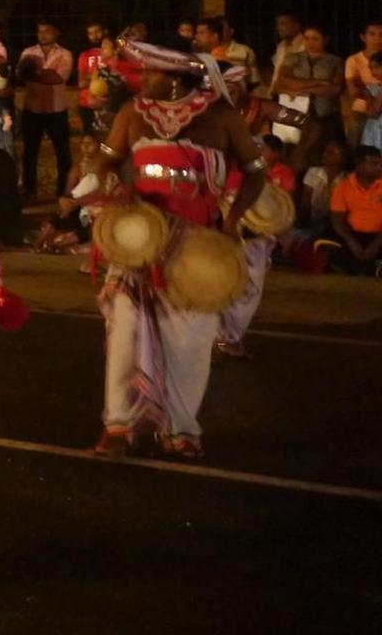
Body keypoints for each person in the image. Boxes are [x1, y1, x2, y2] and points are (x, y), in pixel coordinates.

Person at [89, 41, 267, 461]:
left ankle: (181, 428)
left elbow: (255, 173)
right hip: (140, 241)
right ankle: (118, 425)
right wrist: (119, 196)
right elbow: (106, 162)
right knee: (124, 329)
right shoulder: (133, 113)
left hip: (196, 244)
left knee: (190, 338)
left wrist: (230, 220)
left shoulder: (221, 116)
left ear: (174, 79)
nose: (140, 78)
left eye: (149, 72)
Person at [216, 135, 296, 357]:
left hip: (241, 227)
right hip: (239, 228)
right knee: (245, 286)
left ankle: (220, 338)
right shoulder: (242, 167)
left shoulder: (231, 161)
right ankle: (226, 339)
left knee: (231, 283)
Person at [15, 22, 73, 199]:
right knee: (30, 152)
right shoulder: (28, 52)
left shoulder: (65, 54)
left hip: (56, 110)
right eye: (39, 31)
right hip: (32, 109)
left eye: (47, 31)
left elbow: (57, 78)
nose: (42, 35)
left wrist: (34, 72)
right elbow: (21, 74)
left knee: (63, 152)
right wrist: (44, 73)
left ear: (57, 32)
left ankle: (64, 190)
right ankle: (29, 190)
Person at [272, 24, 344, 168]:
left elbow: (334, 89)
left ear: (326, 40)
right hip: (296, 115)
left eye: (315, 39)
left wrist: (300, 87)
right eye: (307, 38)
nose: (310, 43)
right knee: (292, 156)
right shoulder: (292, 58)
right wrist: (320, 83)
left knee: (321, 157)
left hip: (325, 116)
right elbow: (281, 83)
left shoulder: (335, 61)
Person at [325, 145, 382, 276]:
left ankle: (364, 267)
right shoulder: (343, 187)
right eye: (374, 164)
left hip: (379, 236)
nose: (380, 167)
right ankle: (372, 268)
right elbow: (337, 220)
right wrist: (352, 242)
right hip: (352, 235)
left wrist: (376, 243)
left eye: (380, 163)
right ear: (360, 166)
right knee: (324, 243)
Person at [344, 21, 382, 150]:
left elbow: (362, 88)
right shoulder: (354, 60)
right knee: (356, 129)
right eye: (372, 34)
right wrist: (373, 92)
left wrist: (366, 87)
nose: (377, 39)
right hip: (362, 110)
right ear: (363, 37)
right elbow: (353, 91)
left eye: (381, 35)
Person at [76, 22, 110, 137]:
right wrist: (103, 77)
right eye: (90, 33)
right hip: (86, 104)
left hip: (108, 104)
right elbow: (81, 83)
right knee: (90, 139)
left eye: (97, 32)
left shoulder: (114, 54)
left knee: (109, 140)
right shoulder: (84, 55)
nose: (94, 36)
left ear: (105, 31)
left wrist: (90, 76)